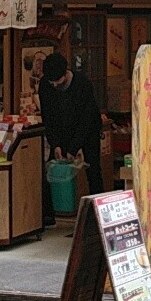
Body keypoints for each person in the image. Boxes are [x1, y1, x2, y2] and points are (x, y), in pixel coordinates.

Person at [38, 51, 104, 202]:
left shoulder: (82, 84)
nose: (54, 85)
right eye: (51, 82)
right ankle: (55, 209)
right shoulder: (45, 85)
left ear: (65, 73)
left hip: (88, 130)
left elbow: (87, 120)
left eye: (57, 82)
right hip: (61, 129)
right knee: (53, 166)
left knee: (93, 169)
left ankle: (97, 207)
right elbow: (48, 117)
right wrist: (55, 144)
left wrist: (73, 148)